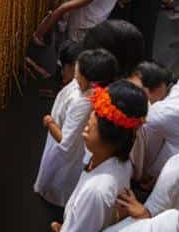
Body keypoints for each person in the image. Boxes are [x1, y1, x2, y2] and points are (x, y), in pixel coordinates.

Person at [54, 80, 149, 232]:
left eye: (98, 114)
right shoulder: (113, 160)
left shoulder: (96, 192)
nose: (90, 117)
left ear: (111, 131)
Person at [35, 48, 121, 209]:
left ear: (92, 80)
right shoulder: (85, 87)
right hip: (66, 140)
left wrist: (49, 122)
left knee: (55, 180)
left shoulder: (82, 103)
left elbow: (65, 143)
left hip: (63, 153)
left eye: (78, 72)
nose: (74, 75)